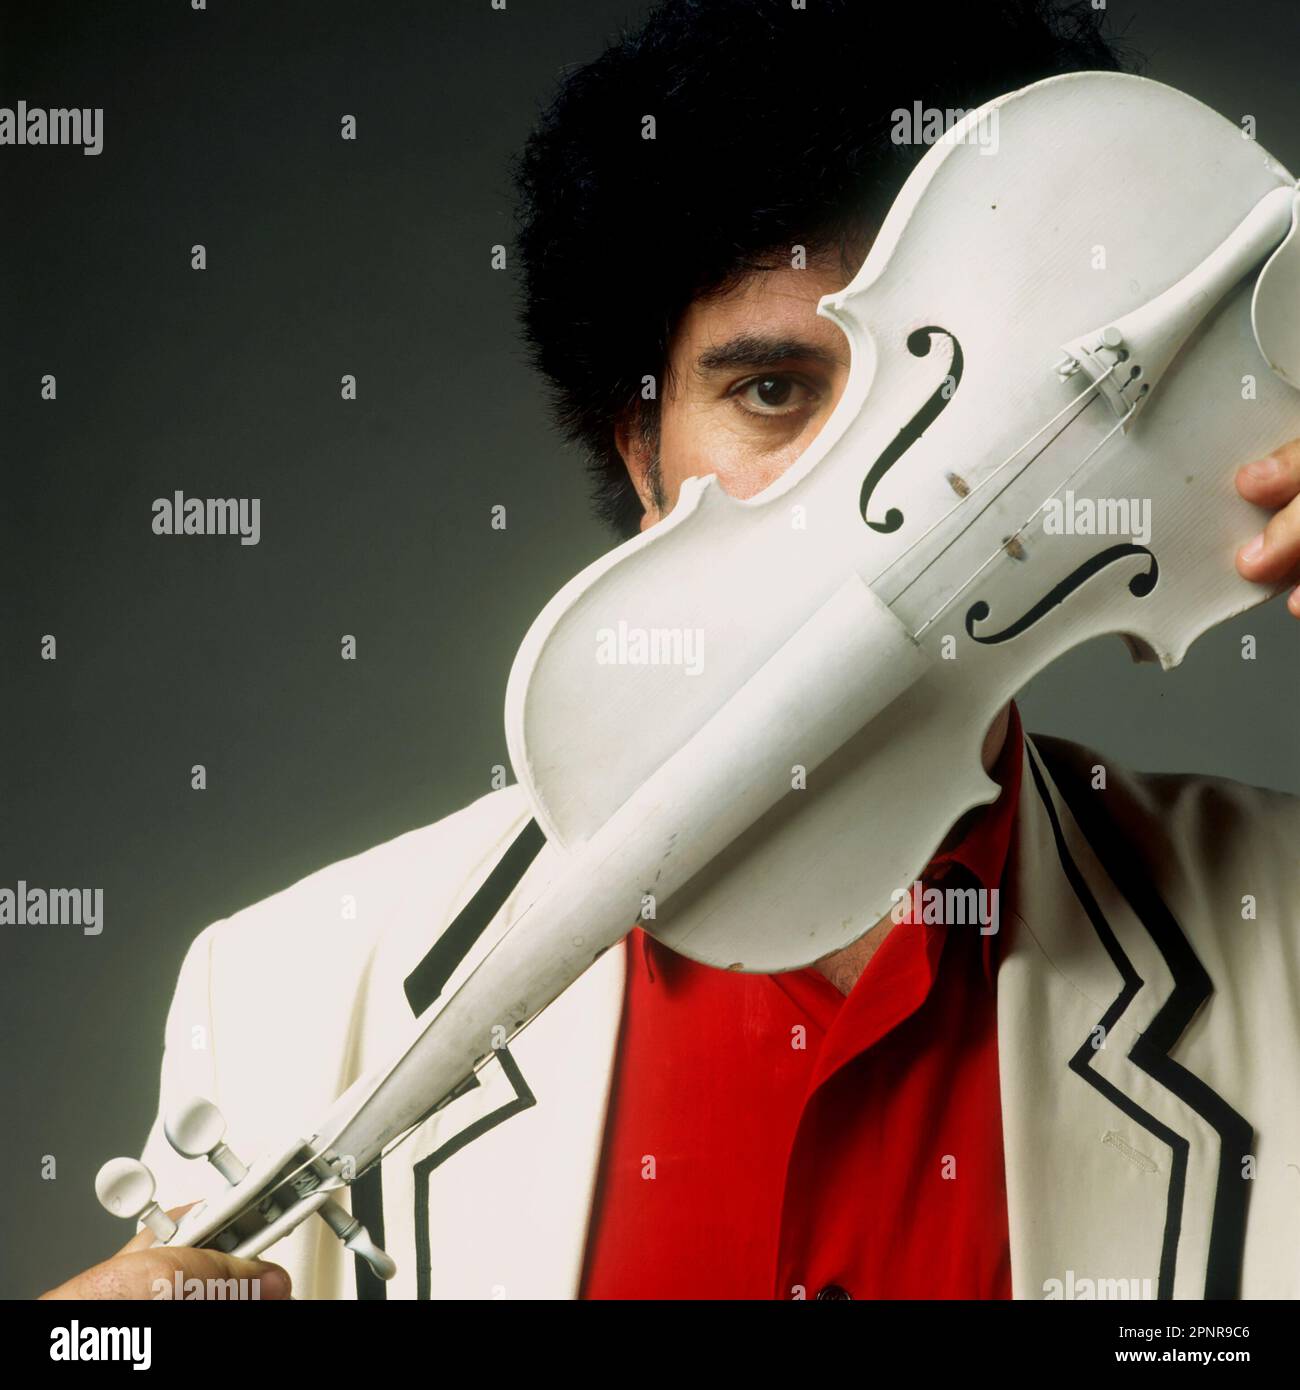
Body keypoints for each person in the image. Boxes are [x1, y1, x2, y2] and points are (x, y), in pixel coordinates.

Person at [44, 0, 1300, 1301]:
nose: (889, 503)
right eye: (775, 391)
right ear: (639, 451)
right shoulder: (282, 997)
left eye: (955, 407)